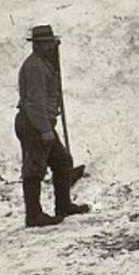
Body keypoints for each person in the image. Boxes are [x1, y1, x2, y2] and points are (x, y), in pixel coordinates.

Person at [15, 24, 89, 228]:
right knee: (35, 168)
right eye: (47, 43)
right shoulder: (35, 67)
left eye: (51, 42)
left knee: (62, 161)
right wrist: (45, 129)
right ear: (37, 45)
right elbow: (35, 102)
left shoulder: (43, 63)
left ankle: (63, 205)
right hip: (34, 123)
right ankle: (34, 215)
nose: (50, 46)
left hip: (40, 121)